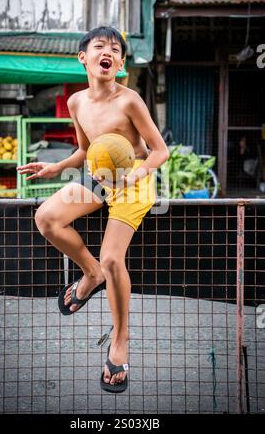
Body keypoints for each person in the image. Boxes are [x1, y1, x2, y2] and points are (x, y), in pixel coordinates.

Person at [17, 26, 169, 393]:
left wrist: (139, 175)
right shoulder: (76, 103)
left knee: (114, 259)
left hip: (134, 178)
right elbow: (86, 150)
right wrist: (55, 167)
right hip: (99, 177)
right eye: (100, 46)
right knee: (47, 218)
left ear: (118, 63)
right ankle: (90, 274)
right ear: (83, 57)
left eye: (116, 50)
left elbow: (160, 151)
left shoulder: (130, 99)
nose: (109, 52)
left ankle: (120, 340)